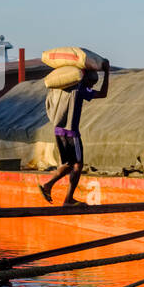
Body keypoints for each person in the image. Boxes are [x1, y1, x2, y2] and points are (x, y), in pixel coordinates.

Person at [39, 62, 109, 205]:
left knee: (70, 164)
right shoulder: (81, 88)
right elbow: (103, 94)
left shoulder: (62, 88)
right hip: (71, 132)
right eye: (92, 83)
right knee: (78, 165)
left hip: (58, 130)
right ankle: (64, 196)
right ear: (85, 79)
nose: (92, 87)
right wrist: (107, 73)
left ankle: (51, 187)